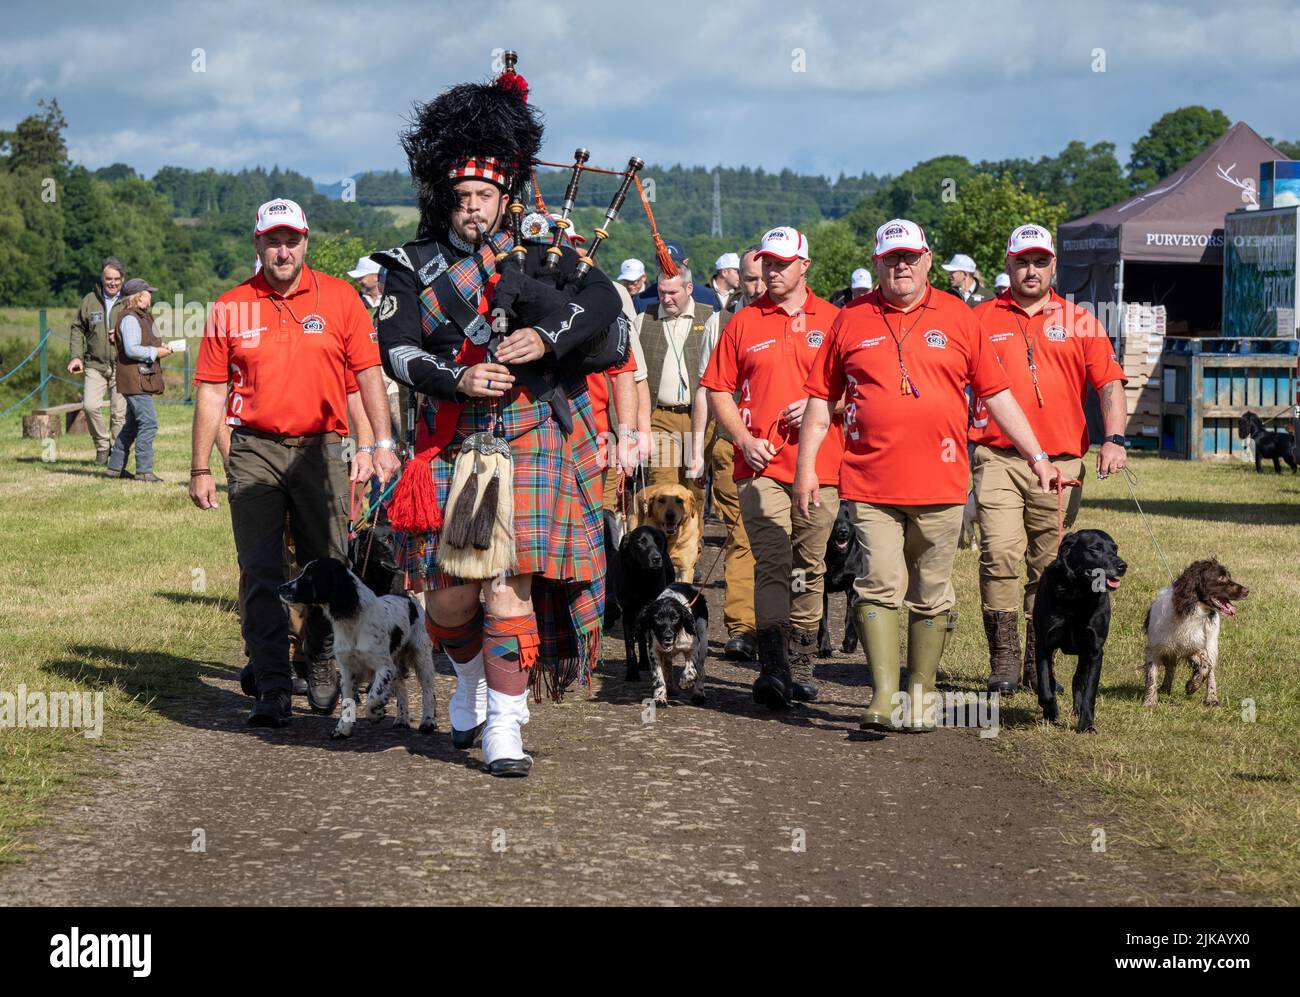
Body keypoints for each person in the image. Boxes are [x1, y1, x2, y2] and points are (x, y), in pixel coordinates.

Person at [372, 65, 622, 777]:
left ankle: (505, 727)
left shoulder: (541, 252)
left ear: (505, 193)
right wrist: (458, 374)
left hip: (531, 430)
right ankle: (474, 678)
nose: (473, 208)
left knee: (509, 579)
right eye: (461, 197)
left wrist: (545, 338)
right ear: (444, 199)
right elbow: (396, 354)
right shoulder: (410, 267)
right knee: (449, 591)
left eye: (484, 194)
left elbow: (602, 302)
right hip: (454, 435)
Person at [796, 218, 1055, 733]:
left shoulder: (960, 319)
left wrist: (1037, 456)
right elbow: (820, 403)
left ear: (928, 259)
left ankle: (921, 696)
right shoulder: (851, 320)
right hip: (870, 485)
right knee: (877, 585)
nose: (902, 266)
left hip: (941, 486)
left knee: (932, 591)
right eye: (892, 258)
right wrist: (806, 471)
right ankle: (884, 697)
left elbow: (998, 395)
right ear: (877, 262)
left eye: (911, 257)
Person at [190, 197, 398, 728]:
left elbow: (368, 373)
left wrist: (381, 444)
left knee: (329, 565)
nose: (282, 251)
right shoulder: (231, 305)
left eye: (291, 240)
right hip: (254, 448)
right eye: (272, 241)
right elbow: (212, 392)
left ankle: (324, 659)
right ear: (257, 244)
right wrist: (200, 467)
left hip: (321, 448)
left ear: (305, 241)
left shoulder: (341, 297)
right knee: (260, 571)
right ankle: (273, 685)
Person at [971, 224, 1128, 693]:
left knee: (1049, 565)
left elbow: (1109, 384)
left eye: (1040, 261)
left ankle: (1035, 660)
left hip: (1062, 464)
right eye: (1022, 261)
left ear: (1054, 265)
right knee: (999, 552)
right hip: (997, 455)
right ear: (1007, 264)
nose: (1031, 270)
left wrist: (1115, 437)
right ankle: (1003, 657)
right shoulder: (979, 319)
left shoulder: (1081, 320)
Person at [701, 226, 842, 709]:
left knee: (811, 564)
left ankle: (803, 661)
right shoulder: (743, 321)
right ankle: (774, 665)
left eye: (783, 263)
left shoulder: (838, 320)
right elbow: (717, 387)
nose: (772, 270)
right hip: (759, 466)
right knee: (773, 560)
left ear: (805, 265)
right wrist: (741, 438)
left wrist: (826, 404)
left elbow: (863, 389)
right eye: (767, 262)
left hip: (822, 466)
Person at [691, 244, 762, 660]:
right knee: (742, 534)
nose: (755, 286)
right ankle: (743, 627)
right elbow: (707, 388)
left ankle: (794, 626)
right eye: (749, 278)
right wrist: (698, 447)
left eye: (761, 276)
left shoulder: (812, 320)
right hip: (730, 443)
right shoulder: (721, 323)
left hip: (789, 445)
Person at [638, 265, 720, 530]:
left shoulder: (711, 318)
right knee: (663, 489)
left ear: (689, 288)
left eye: (673, 292)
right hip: (661, 416)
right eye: (661, 292)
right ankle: (663, 558)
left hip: (702, 416)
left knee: (693, 491)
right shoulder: (643, 319)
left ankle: (690, 557)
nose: (666, 298)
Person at [105, 278, 170, 483]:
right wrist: (156, 351)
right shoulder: (131, 318)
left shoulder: (139, 316)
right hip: (135, 378)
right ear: (139, 296)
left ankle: (114, 468)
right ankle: (143, 471)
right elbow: (132, 349)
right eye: (148, 292)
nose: (151, 295)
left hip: (137, 376)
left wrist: (161, 347)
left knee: (132, 425)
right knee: (148, 423)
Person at [68, 257, 129, 464]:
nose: (112, 283)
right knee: (90, 406)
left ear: (123, 279)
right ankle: (103, 446)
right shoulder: (89, 301)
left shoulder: (130, 300)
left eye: (116, 279)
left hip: (122, 365)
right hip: (95, 364)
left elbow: (144, 326)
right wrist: (76, 356)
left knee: (118, 415)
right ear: (102, 279)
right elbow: (77, 328)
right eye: (108, 279)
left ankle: (118, 455)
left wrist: (121, 335)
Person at [349, 255, 403, 448]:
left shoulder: (397, 304)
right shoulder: (356, 302)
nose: (360, 281)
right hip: (370, 367)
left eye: (364, 276)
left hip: (393, 368)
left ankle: (400, 444)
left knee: (393, 395)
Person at [634, 240, 721, 314]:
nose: (668, 269)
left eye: (675, 265)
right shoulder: (642, 301)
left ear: (685, 263)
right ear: (657, 266)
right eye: (663, 266)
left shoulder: (708, 296)